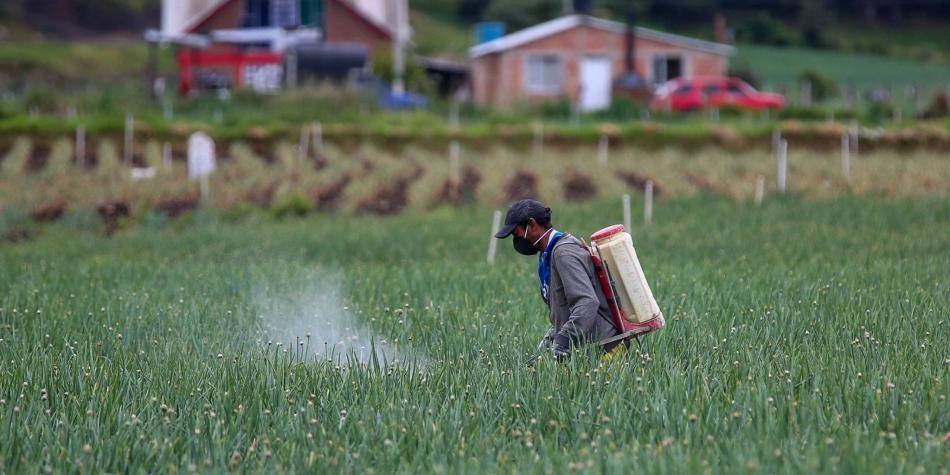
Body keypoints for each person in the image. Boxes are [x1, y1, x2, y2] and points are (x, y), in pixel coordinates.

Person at [494, 199, 623, 362]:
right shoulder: (548, 255)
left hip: (606, 351)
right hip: (591, 351)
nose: (516, 240)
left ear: (532, 225)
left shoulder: (564, 253)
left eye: (516, 233)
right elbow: (563, 312)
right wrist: (545, 347)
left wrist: (564, 341)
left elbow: (587, 302)